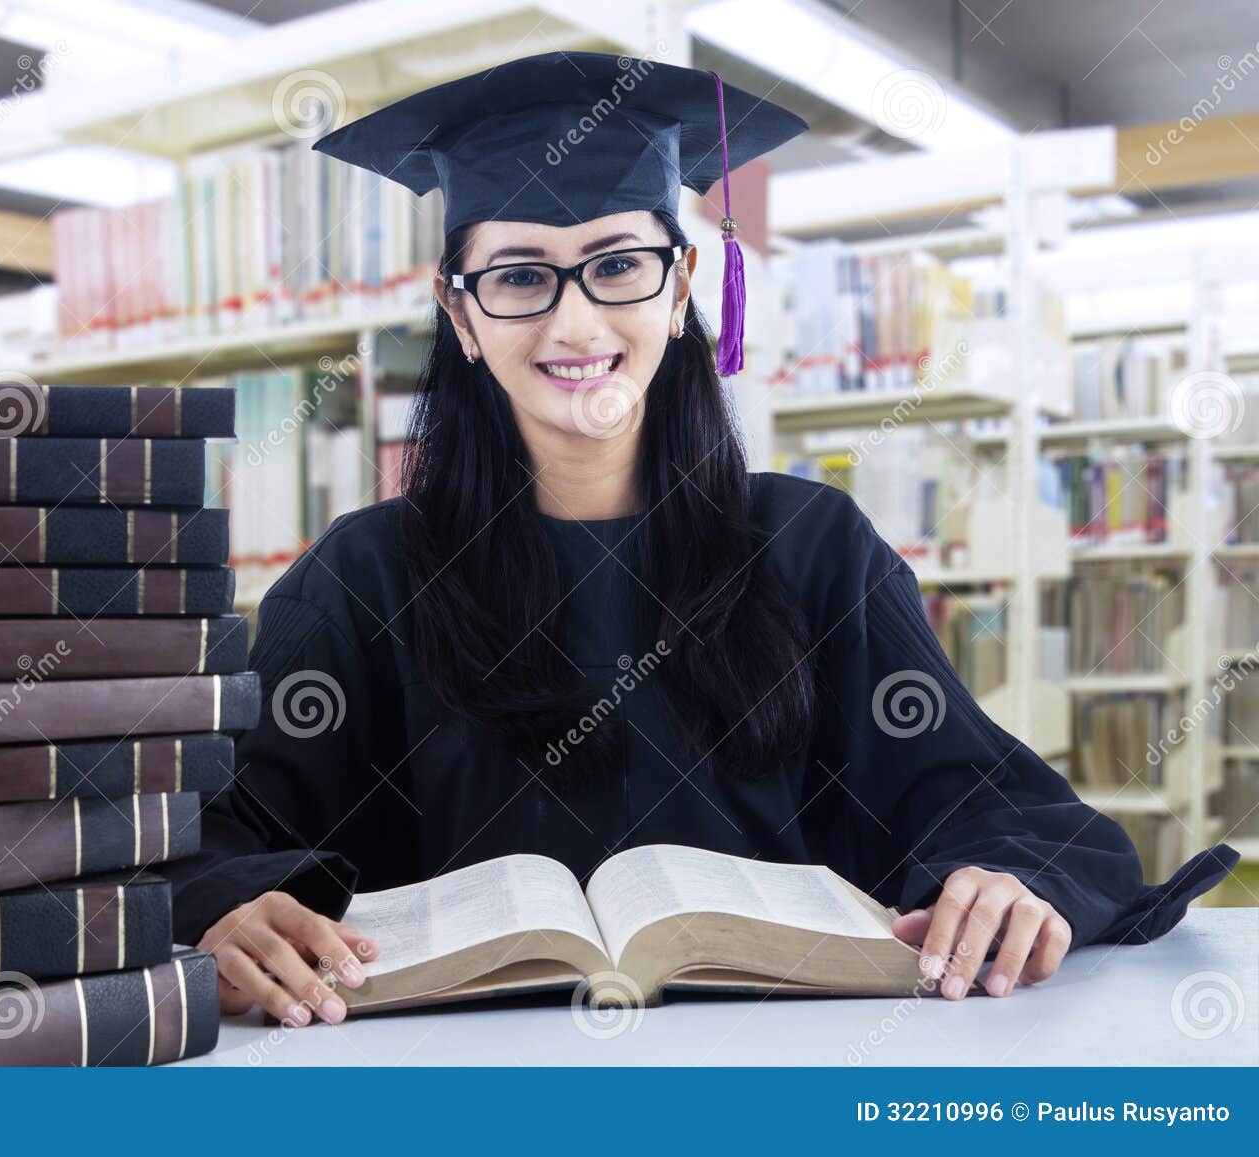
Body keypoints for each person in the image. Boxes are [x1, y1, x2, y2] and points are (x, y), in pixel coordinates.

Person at [161, 50, 1236, 1028]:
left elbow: (981, 799)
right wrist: (226, 904)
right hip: (452, 1081)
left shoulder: (811, 547)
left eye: (617, 265)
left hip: (782, 1067)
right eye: (521, 276)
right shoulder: (365, 576)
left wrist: (1006, 877)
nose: (576, 324)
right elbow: (205, 830)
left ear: (679, 287)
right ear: (461, 315)